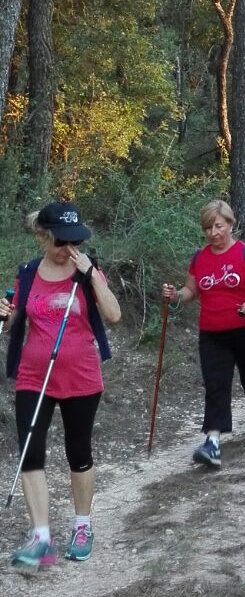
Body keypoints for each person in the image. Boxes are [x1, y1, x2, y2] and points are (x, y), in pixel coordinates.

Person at [0, 200, 121, 569]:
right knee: (30, 452)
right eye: (61, 242)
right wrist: (3, 315)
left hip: (81, 377)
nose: (69, 249)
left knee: (78, 452)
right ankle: (41, 539)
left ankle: (82, 526)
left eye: (75, 242)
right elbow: (11, 323)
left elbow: (113, 315)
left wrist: (91, 277)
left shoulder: (87, 269)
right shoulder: (28, 273)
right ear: (44, 236)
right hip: (33, 376)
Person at [163, 200, 245, 468]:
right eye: (208, 228)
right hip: (213, 333)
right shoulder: (200, 258)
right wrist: (175, 295)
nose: (214, 233)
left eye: (219, 226)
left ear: (230, 224)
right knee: (215, 384)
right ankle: (212, 442)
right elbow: (191, 292)